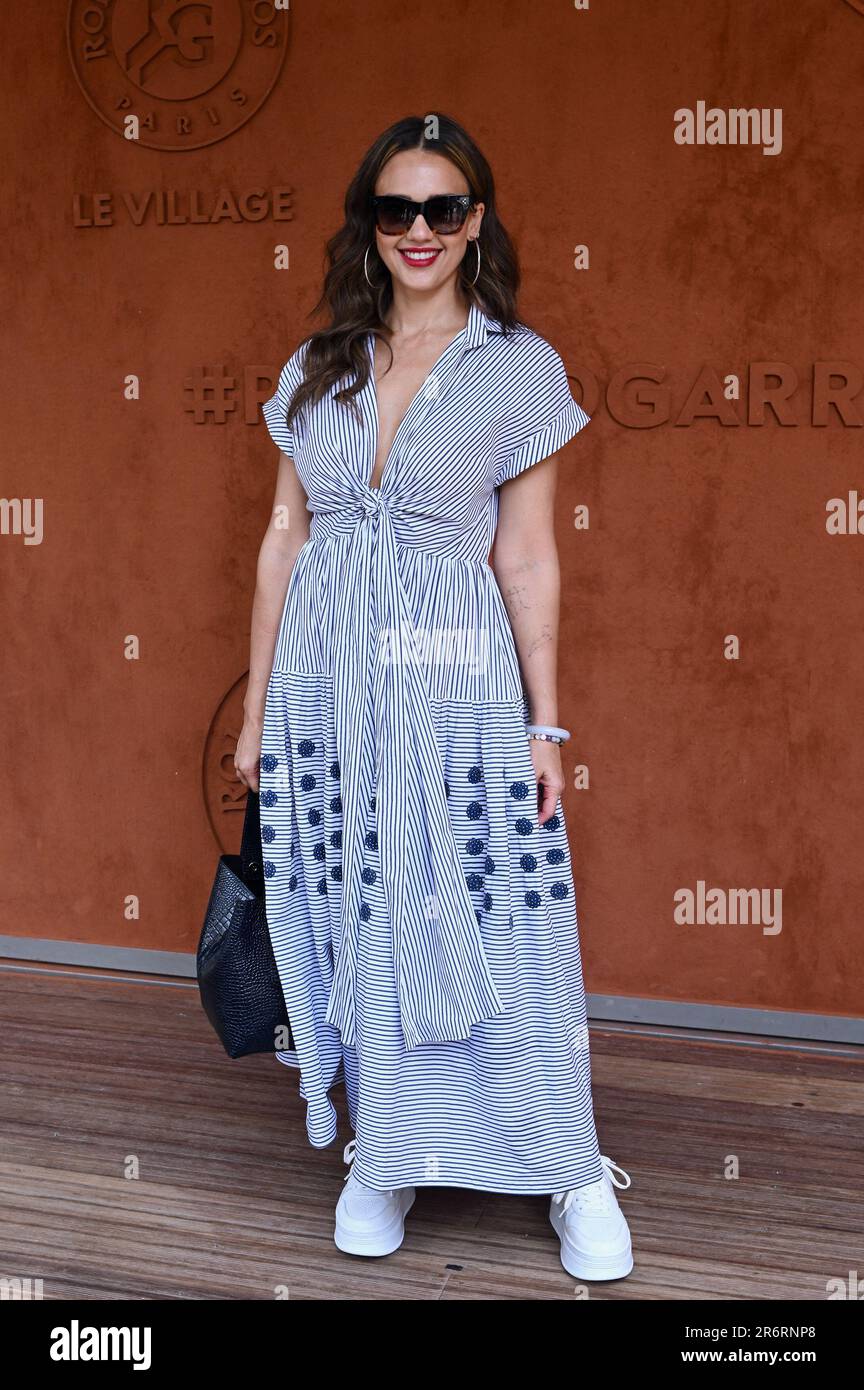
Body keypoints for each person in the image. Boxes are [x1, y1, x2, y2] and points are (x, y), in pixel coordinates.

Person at [235, 112, 633, 1282]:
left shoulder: (519, 367)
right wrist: (259, 712)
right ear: (368, 221)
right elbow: (279, 538)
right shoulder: (313, 367)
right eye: (396, 208)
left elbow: (525, 556)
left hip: (450, 683)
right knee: (355, 905)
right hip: (325, 684)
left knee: (498, 913)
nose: (420, 230)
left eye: (443, 208)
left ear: (475, 222)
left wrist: (543, 724)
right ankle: (388, 1151)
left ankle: (566, 1165)